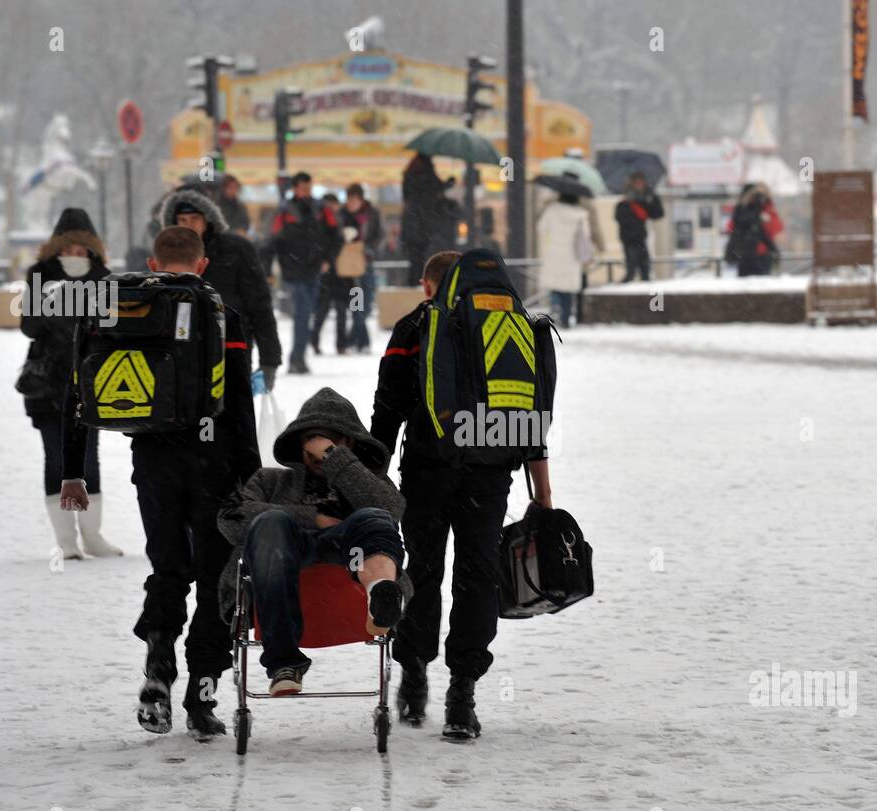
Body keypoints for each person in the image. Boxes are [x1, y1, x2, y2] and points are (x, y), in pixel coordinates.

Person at [60, 226, 262, 741]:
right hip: (214, 461)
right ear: (203, 263)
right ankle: (203, 693)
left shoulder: (116, 309)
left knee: (169, 568)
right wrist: (251, 477)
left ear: (152, 261)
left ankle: (157, 662)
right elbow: (239, 404)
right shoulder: (222, 316)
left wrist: (73, 470)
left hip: (152, 458)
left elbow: (77, 394)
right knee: (219, 574)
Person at [371, 251, 555, 740]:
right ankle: (463, 695)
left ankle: (413, 673)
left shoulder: (415, 327)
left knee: (422, 571)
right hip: (490, 475)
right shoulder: (515, 327)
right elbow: (531, 414)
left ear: (429, 287)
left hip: (428, 471)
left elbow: (387, 409)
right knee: (478, 575)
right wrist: (544, 492)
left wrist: (372, 481)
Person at [217, 388, 407, 695]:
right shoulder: (270, 480)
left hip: (352, 559)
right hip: (283, 555)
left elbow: (392, 511)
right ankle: (283, 663)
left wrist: (336, 461)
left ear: (351, 443)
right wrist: (313, 517)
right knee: (269, 522)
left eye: (333, 439)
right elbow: (231, 517)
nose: (320, 447)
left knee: (374, 516)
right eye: (314, 438)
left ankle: (381, 596)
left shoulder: (367, 484)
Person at [19, 207, 122, 560]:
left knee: (88, 459)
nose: (74, 256)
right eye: (68, 249)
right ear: (56, 249)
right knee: (56, 458)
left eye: (81, 250)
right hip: (47, 382)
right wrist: (61, 308)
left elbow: (111, 327)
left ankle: (92, 534)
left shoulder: (104, 278)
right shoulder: (39, 275)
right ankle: (65, 538)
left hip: (88, 381)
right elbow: (29, 326)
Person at [162, 188, 282, 390]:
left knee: (231, 415)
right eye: (182, 220)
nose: (188, 226)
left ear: (207, 219)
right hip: (180, 354)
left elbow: (260, 305)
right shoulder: (165, 255)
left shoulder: (236, 249)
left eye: (194, 219)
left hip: (232, 348)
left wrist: (269, 360)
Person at [269, 172, 331, 374]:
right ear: (295, 188)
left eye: (309, 188)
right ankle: (297, 358)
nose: (306, 192)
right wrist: (274, 266)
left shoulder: (320, 208)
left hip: (313, 269)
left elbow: (334, 234)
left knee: (305, 314)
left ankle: (298, 358)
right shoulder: (285, 210)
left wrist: (327, 258)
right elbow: (273, 239)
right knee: (303, 314)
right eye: (303, 188)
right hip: (293, 270)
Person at [535, 186, 593, 328]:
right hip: (571, 255)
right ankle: (566, 318)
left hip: (555, 252)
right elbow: (585, 235)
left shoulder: (552, 210)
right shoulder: (581, 214)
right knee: (567, 289)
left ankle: (555, 312)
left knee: (555, 286)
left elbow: (541, 228)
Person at [401, 154, 454, 285]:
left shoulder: (409, 175)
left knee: (415, 257)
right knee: (424, 255)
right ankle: (420, 281)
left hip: (412, 223)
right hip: (423, 223)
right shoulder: (426, 173)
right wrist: (449, 182)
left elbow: (407, 196)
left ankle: (413, 281)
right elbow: (436, 188)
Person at [342, 183, 383, 351]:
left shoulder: (371, 213)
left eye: (354, 200)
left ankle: (355, 339)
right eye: (349, 200)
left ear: (360, 199)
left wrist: (368, 247)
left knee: (365, 304)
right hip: (351, 263)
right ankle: (361, 341)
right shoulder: (343, 215)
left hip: (367, 260)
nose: (351, 203)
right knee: (357, 302)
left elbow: (378, 235)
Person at [310, 191, 349, 355]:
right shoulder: (323, 222)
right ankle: (316, 341)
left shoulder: (336, 220)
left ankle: (340, 344)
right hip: (329, 272)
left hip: (343, 274)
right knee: (323, 310)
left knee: (342, 309)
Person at [614, 171, 664, 282]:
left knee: (643, 258)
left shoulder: (649, 196)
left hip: (641, 234)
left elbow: (658, 214)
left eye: (640, 182)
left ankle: (644, 276)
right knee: (630, 258)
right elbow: (619, 217)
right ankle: (631, 276)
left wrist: (651, 202)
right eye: (636, 182)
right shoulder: (625, 201)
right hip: (628, 234)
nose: (638, 185)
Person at [725, 183, 781, 277]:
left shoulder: (766, 209)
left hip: (761, 254)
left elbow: (773, 229)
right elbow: (732, 227)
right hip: (747, 254)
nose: (757, 199)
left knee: (760, 282)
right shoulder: (742, 210)